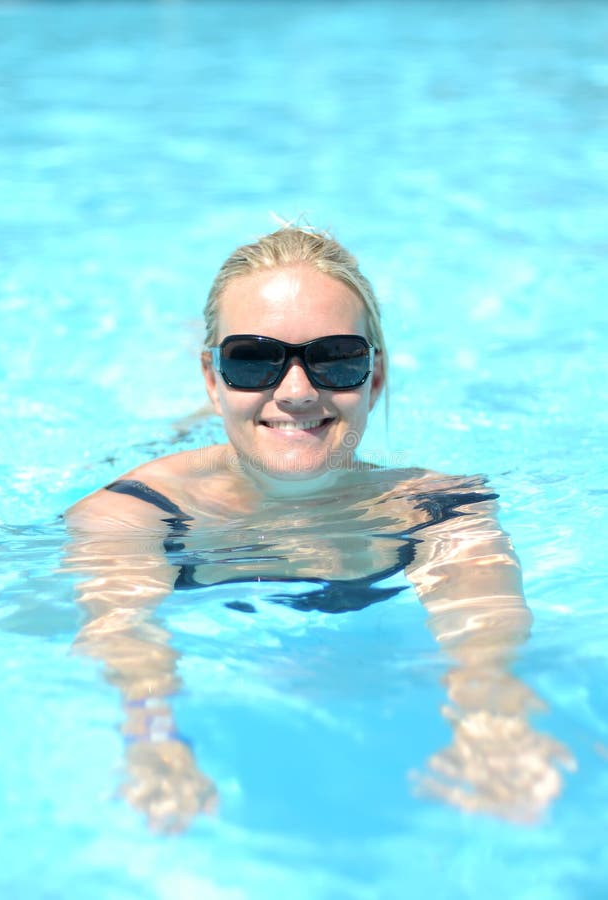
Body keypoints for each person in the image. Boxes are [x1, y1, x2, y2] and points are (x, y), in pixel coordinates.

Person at [65, 226, 573, 832]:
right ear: (210, 374)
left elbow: (484, 634)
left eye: (336, 360)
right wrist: (153, 738)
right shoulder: (134, 511)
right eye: (251, 359)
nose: (298, 391)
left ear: (375, 378)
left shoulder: (439, 507)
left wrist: (493, 724)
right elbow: (123, 639)